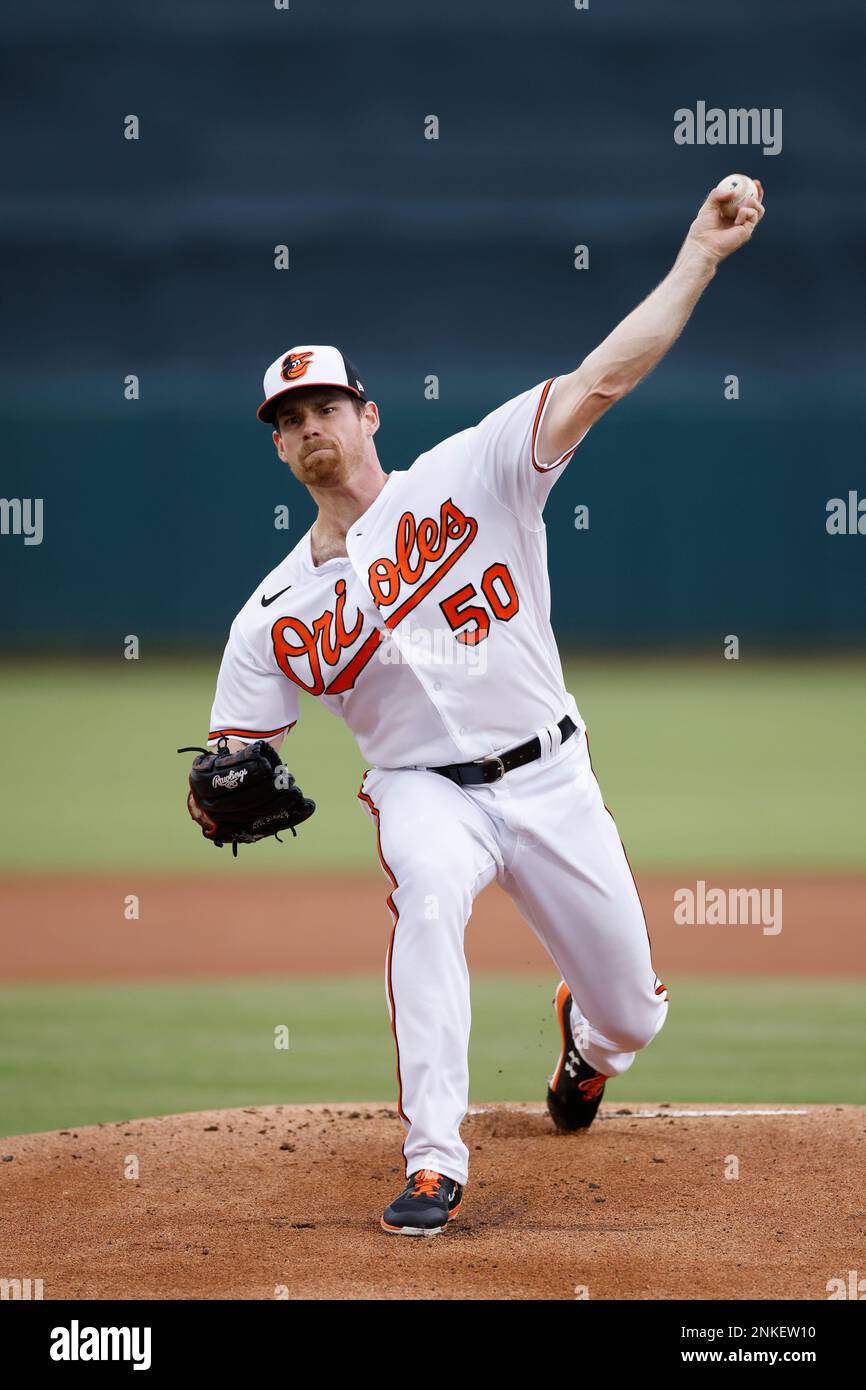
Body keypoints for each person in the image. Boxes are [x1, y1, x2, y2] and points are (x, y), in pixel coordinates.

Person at [199, 181, 765, 1236]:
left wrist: (696, 256)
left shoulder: (473, 473)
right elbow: (232, 753)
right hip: (421, 791)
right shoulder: (270, 614)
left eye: (325, 406)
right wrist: (212, 787)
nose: (310, 427)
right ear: (278, 449)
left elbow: (601, 377)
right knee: (426, 896)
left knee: (631, 1012)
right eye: (288, 420)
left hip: (550, 774)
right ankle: (432, 1161)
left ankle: (584, 1047)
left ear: (368, 414)